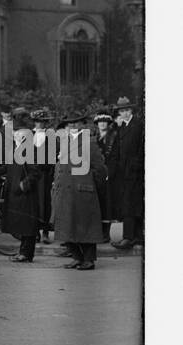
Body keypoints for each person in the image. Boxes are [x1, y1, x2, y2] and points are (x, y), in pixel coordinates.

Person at [52, 112, 107, 270]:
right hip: (64, 191)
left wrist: (94, 186)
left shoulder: (90, 142)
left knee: (85, 227)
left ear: (82, 125)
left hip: (83, 191)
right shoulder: (64, 142)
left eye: (76, 124)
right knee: (66, 227)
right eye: (69, 124)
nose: (73, 127)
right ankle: (76, 257)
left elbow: (100, 169)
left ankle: (89, 260)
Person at [3, 107, 42, 263]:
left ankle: (26, 253)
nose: (17, 135)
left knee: (28, 225)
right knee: (22, 224)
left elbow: (35, 172)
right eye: (15, 132)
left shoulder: (30, 150)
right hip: (15, 192)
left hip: (26, 193)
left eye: (20, 133)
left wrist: (23, 185)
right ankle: (23, 251)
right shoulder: (15, 149)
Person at [107, 97, 144, 251]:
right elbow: (117, 151)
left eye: (127, 110)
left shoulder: (138, 125)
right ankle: (136, 237)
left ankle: (129, 238)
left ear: (131, 111)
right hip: (124, 173)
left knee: (131, 205)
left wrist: (137, 166)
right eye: (122, 111)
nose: (125, 113)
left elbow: (142, 148)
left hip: (134, 172)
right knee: (129, 204)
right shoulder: (122, 128)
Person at [93, 110, 117, 241]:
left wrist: (110, 172)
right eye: (100, 122)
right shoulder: (94, 137)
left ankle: (106, 234)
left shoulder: (113, 136)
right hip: (96, 173)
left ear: (108, 123)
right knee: (97, 202)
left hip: (108, 173)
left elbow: (115, 157)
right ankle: (97, 232)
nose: (102, 124)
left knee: (107, 203)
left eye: (105, 122)